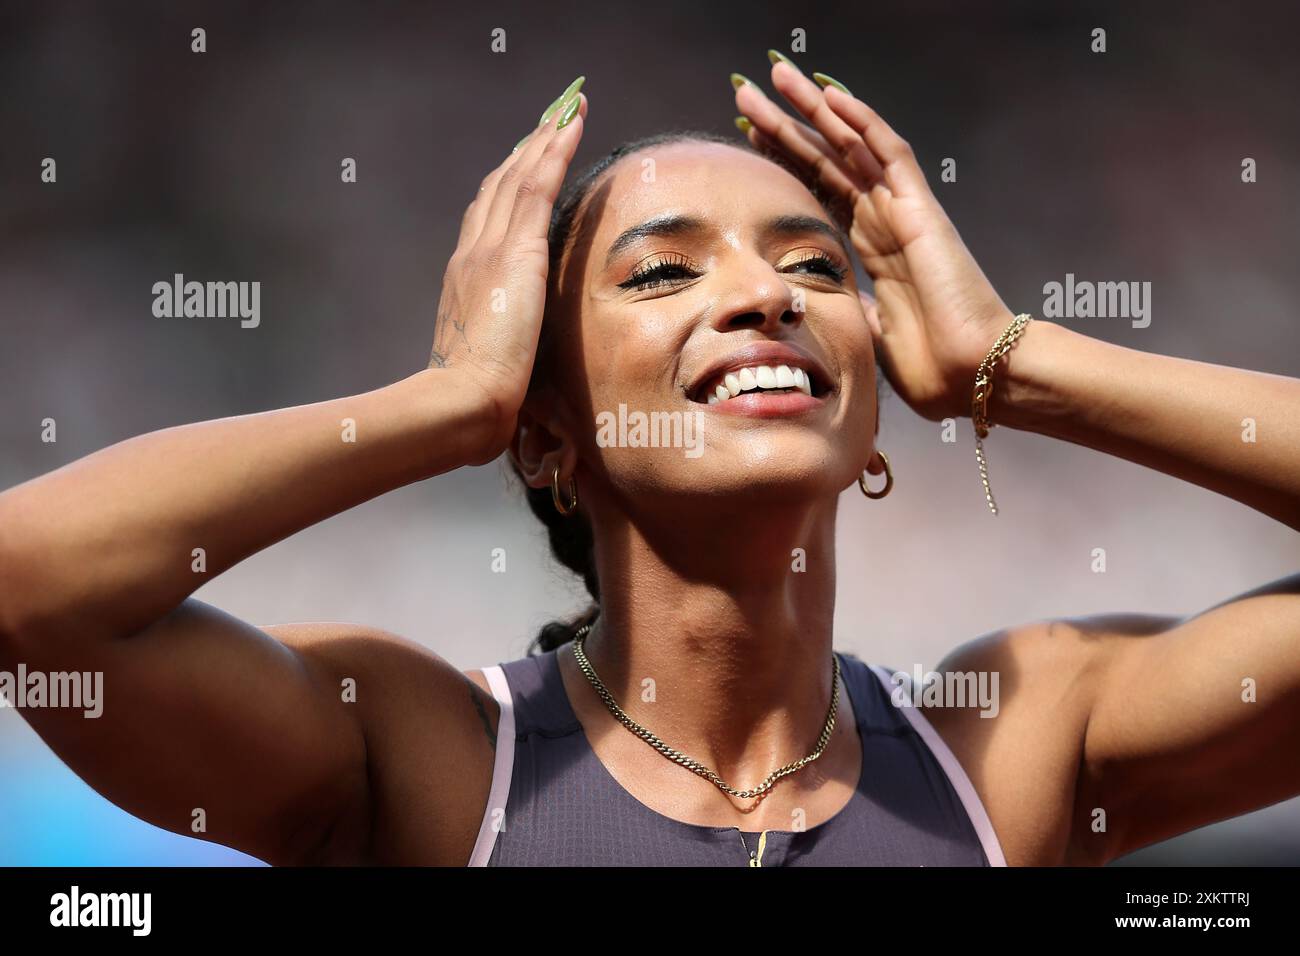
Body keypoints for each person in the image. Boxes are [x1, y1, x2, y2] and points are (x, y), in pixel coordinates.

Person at [1, 57, 1297, 867]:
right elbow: (29, 591)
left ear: (878, 441)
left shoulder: (1013, 746)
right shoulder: (434, 758)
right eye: (664, 271)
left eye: (812, 266)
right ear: (548, 434)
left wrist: (1007, 362)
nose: (763, 298)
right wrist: (441, 405)